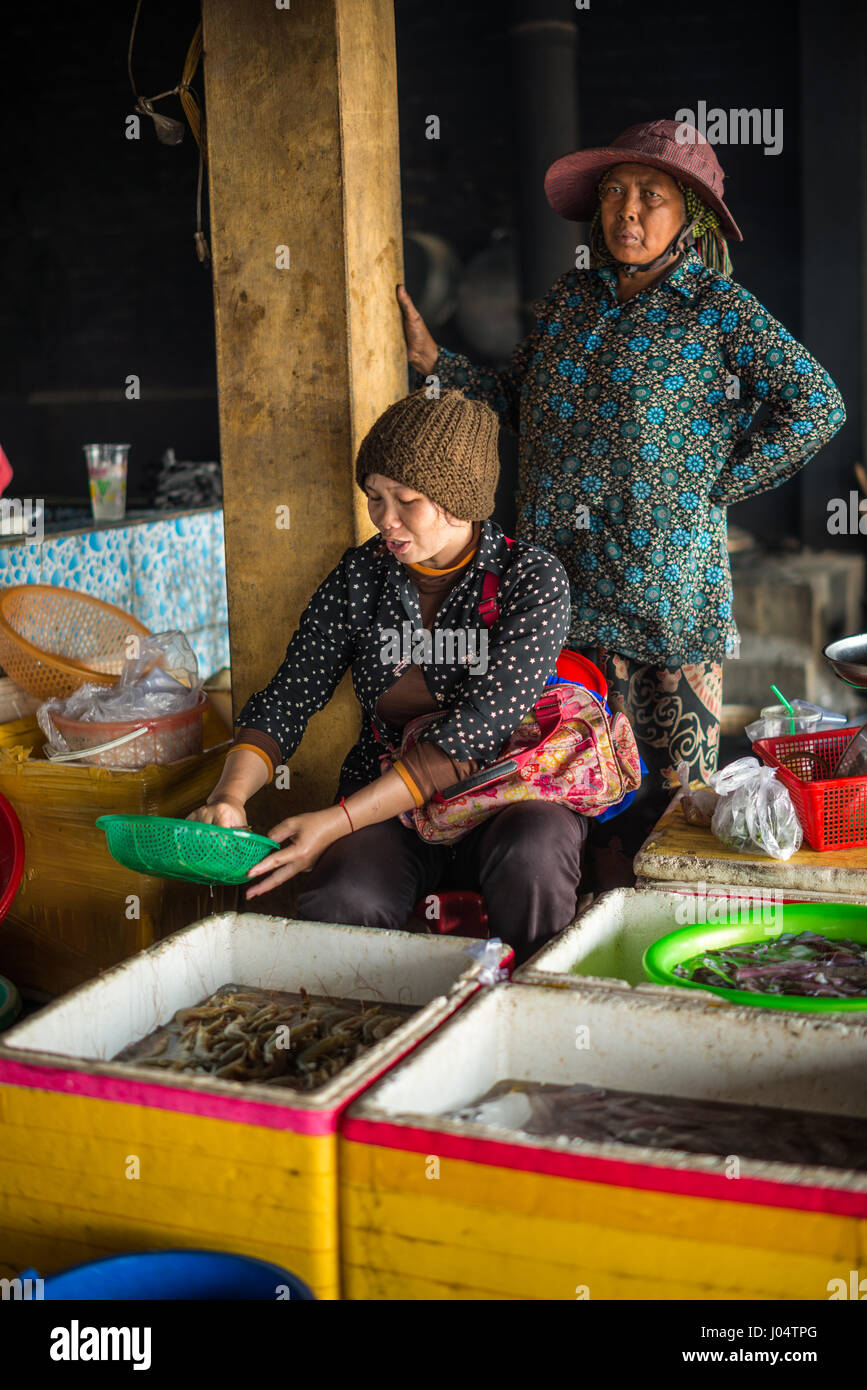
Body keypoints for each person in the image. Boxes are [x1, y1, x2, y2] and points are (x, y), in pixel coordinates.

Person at [397, 117, 847, 885]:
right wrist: (436, 363)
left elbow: (817, 404)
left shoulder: (717, 308)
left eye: (651, 195)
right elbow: (511, 402)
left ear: (691, 217)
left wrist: (709, 487)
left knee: (678, 810)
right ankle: (577, 945)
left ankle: (672, 960)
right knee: (573, 794)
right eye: (613, 193)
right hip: (557, 598)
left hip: (662, 600)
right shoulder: (569, 303)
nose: (627, 212)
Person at [189, 387, 584, 965]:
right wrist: (230, 796)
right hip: (389, 803)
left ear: (459, 503)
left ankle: (535, 1018)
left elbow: (470, 737)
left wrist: (331, 823)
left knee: (534, 862)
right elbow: (288, 697)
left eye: (407, 500)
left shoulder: (531, 579)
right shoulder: (363, 576)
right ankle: (376, 1040)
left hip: (511, 797)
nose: (384, 520)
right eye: (374, 497)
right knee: (342, 897)